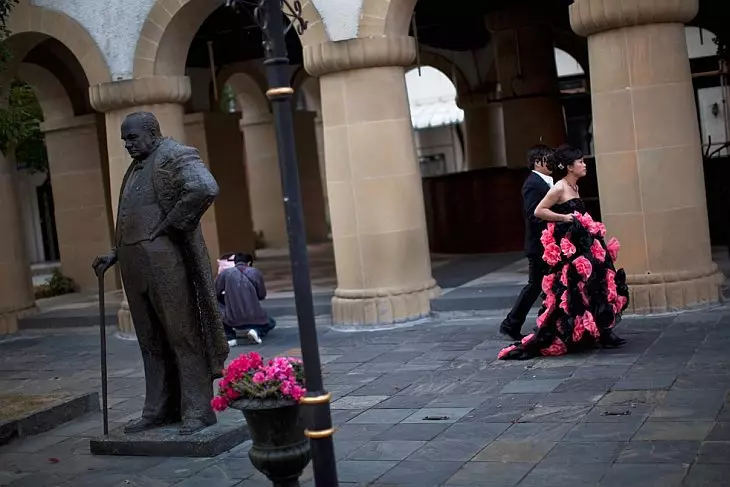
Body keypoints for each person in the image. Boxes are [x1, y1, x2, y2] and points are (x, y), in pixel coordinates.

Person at [92, 111, 229, 435]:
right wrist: (115, 253)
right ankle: (159, 408)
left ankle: (197, 410)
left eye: (132, 138)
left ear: (152, 133)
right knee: (149, 340)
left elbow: (204, 187)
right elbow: (137, 215)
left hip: (165, 262)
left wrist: (172, 223)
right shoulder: (136, 165)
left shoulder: (174, 154)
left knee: (182, 334)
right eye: (125, 139)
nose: (127, 144)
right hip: (133, 263)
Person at [498, 144, 629, 360]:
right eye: (580, 162)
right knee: (565, 291)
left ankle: (604, 330)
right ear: (569, 166)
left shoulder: (573, 187)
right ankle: (517, 325)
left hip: (583, 243)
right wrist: (564, 221)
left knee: (597, 284)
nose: (584, 164)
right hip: (564, 248)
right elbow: (538, 212)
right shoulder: (554, 187)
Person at [500, 145, 555, 341]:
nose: (553, 162)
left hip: (548, 246)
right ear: (538, 161)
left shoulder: (545, 182)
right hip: (539, 246)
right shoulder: (533, 184)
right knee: (535, 286)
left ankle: (548, 323)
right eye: (548, 158)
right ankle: (511, 324)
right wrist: (558, 219)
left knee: (547, 285)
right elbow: (533, 214)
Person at [215, 252, 276, 346]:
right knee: (271, 322)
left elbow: (215, 292)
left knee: (217, 309)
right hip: (255, 317)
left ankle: (230, 337)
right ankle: (256, 331)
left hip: (231, 318)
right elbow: (261, 295)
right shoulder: (255, 272)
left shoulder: (225, 273)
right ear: (248, 263)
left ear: (234, 262)